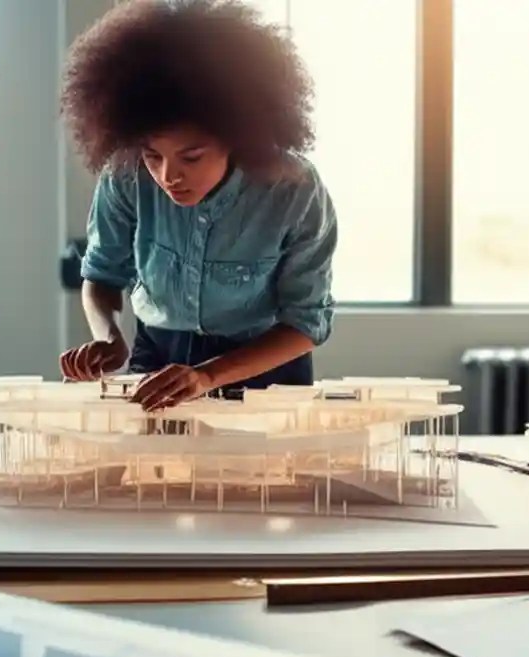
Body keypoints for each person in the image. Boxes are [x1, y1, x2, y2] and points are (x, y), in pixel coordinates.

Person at [57, 0, 337, 412]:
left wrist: (207, 376)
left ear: (238, 136)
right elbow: (101, 275)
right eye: (153, 156)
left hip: (266, 370)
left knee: (263, 476)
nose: (169, 175)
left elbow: (306, 323)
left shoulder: (293, 189)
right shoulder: (125, 176)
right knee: (149, 474)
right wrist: (109, 339)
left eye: (191, 157)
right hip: (158, 360)